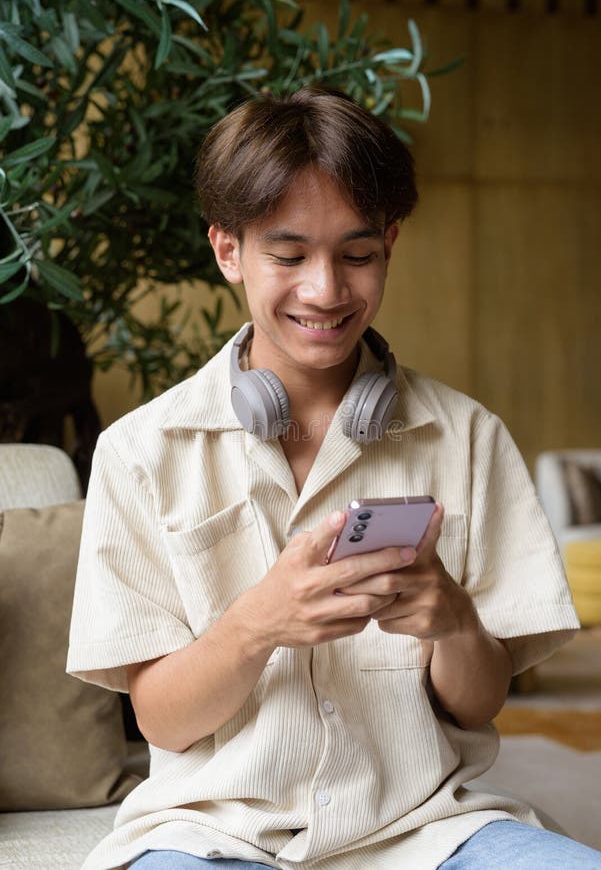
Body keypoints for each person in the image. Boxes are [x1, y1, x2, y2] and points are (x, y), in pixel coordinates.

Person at [67, 87, 597, 870]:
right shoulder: (140, 451)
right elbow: (163, 722)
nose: (325, 290)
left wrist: (452, 620)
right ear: (227, 251)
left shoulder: (470, 437)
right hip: (211, 835)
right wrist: (260, 623)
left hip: (429, 831)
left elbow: (479, 703)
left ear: (388, 244)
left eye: (357, 255)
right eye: (287, 256)